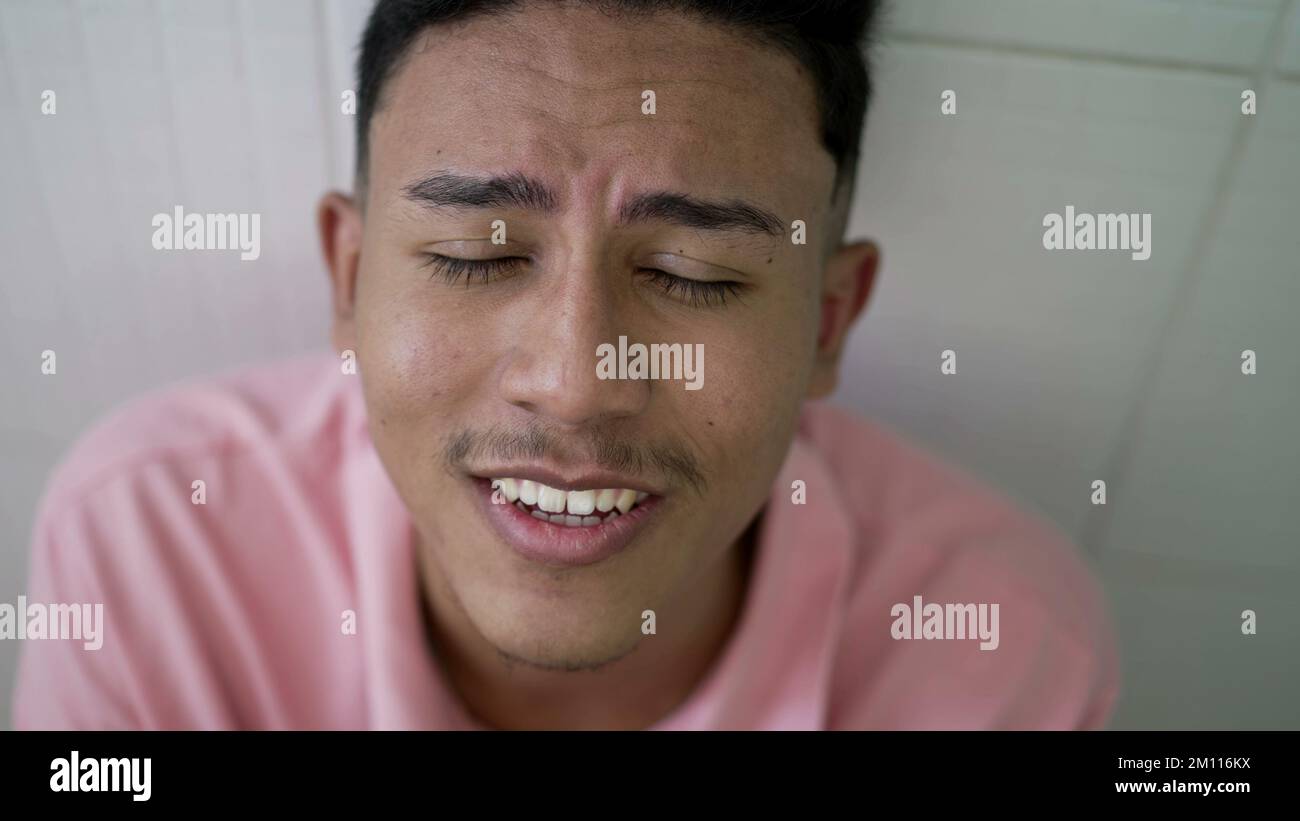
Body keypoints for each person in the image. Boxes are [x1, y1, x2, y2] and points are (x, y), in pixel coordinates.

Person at [14, 0, 1117, 730]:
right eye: (472, 256)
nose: (577, 380)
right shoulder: (156, 542)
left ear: (828, 322)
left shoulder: (1001, 638)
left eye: (694, 272)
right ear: (348, 281)